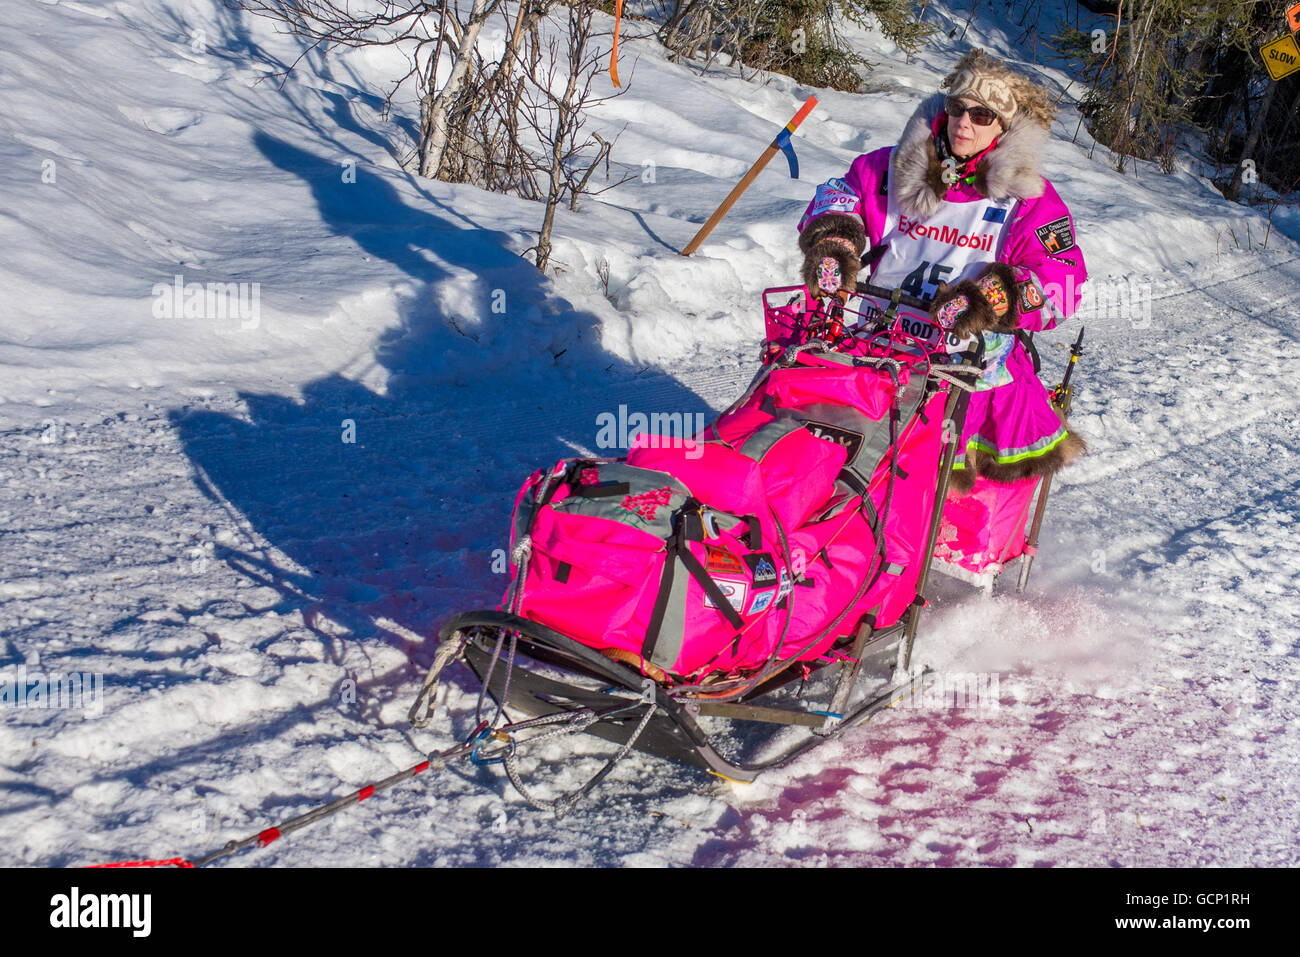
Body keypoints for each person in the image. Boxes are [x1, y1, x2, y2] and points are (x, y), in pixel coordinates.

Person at [796, 49, 1086, 492]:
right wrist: (834, 243)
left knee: (933, 460)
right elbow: (842, 195)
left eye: (982, 115)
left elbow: (1062, 284)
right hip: (877, 334)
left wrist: (990, 298)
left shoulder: (1028, 201)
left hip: (967, 358)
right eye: (957, 108)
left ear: (1002, 129)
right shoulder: (893, 166)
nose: (964, 123)